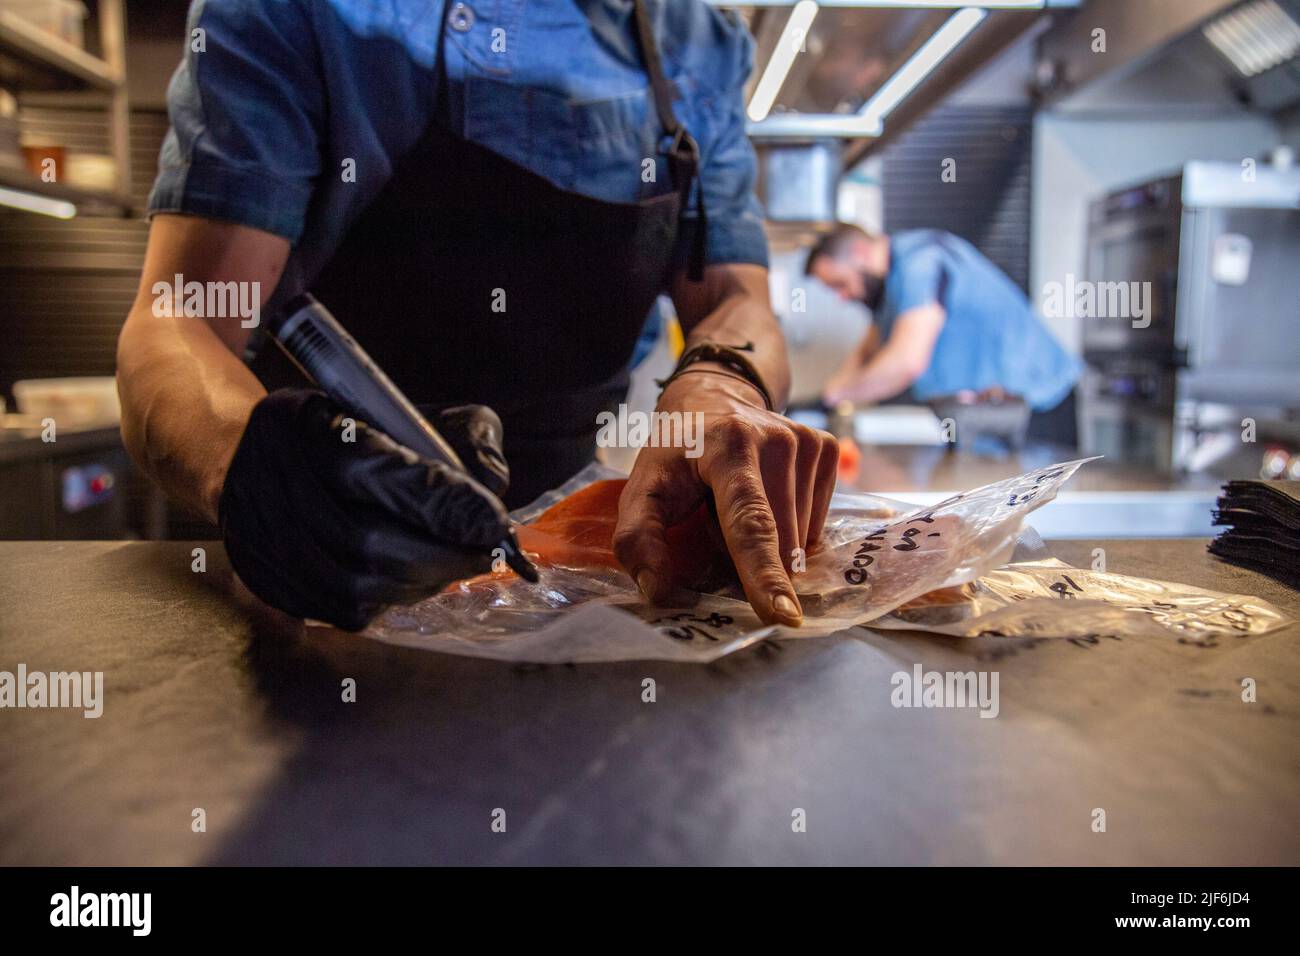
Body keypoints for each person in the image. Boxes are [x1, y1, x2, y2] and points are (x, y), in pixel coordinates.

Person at [115, 0, 839, 631]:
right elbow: (184, 316)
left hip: (577, 572)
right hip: (327, 566)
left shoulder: (697, 44)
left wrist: (720, 389)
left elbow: (735, 300)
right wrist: (249, 471)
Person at [805, 224, 1083, 446]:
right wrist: (830, 394)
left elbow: (906, 362)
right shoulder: (890, 288)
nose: (842, 297)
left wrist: (832, 398)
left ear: (860, 252)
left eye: (840, 284)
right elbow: (867, 351)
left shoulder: (921, 262)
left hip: (1035, 407)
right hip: (986, 416)